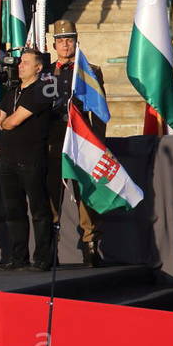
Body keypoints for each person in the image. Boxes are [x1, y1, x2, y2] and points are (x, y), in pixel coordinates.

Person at [0, 48, 54, 270]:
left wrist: (5, 123)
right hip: (8, 160)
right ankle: (18, 256)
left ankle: (43, 257)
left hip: (32, 160)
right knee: (13, 211)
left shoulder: (43, 90)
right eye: (20, 62)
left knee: (39, 211)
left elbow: (12, 122)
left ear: (38, 67)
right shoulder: (13, 92)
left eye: (25, 62)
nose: (20, 66)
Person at [48, 20, 107, 266]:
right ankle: (51, 247)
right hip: (55, 139)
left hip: (82, 141)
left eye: (69, 39)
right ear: (54, 45)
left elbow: (99, 110)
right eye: (61, 40)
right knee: (52, 195)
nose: (65, 44)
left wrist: (99, 143)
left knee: (86, 196)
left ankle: (90, 244)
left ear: (76, 41)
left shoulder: (89, 70)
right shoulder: (46, 71)